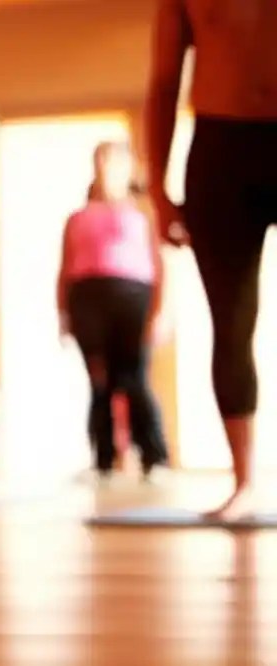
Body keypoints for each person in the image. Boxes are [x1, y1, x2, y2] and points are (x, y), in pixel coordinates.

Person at [145, 0, 277, 519]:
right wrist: (157, 188)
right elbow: (162, 81)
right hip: (221, 151)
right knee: (231, 322)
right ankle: (243, 481)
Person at [57, 140, 170, 480]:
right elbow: (64, 268)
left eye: (112, 160)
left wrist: (161, 311)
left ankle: (154, 456)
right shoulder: (77, 218)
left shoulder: (142, 213)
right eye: (100, 160)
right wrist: (62, 313)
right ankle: (103, 459)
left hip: (133, 298)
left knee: (134, 377)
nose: (105, 166)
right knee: (99, 381)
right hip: (88, 299)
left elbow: (160, 264)